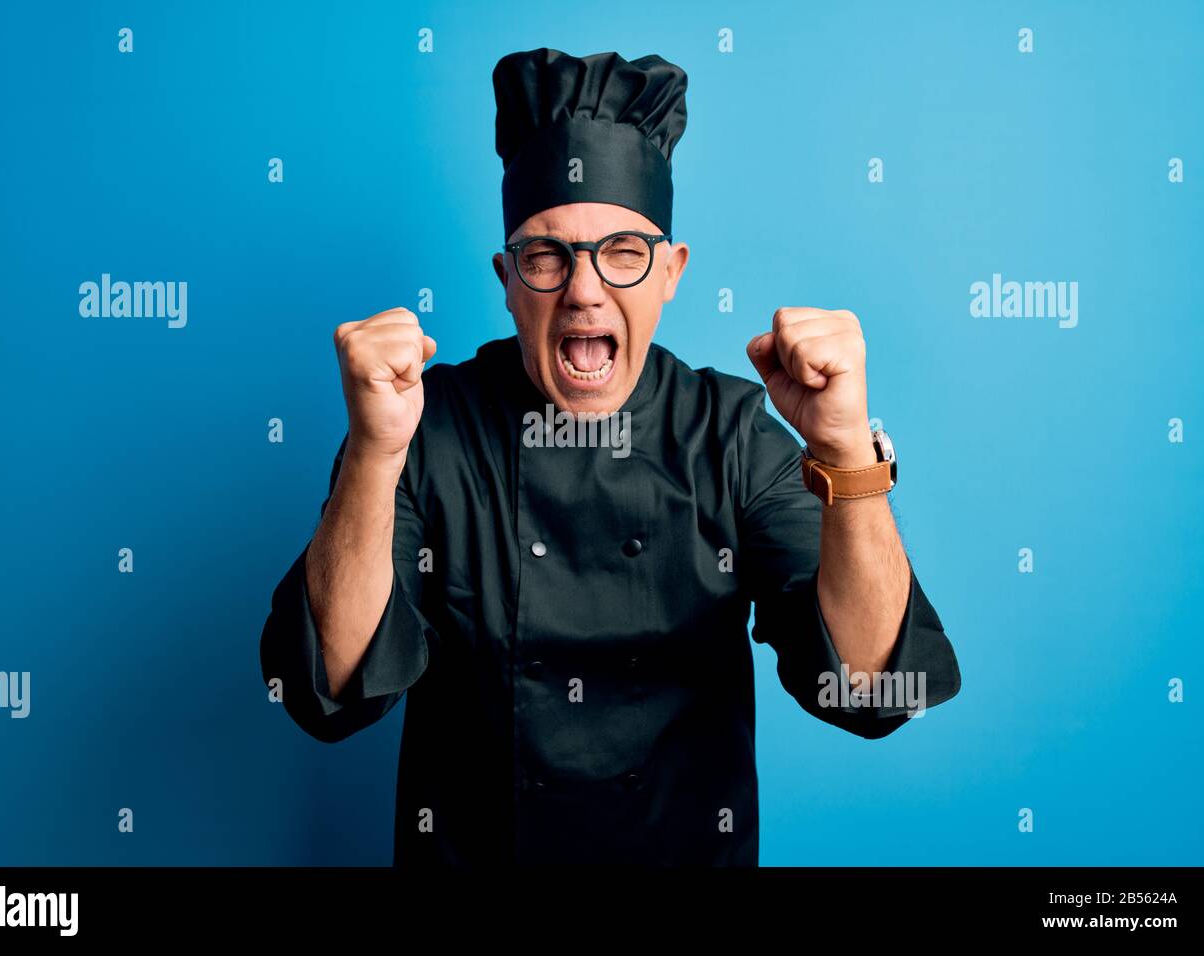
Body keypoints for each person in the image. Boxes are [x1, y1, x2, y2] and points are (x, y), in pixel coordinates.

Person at [259, 47, 961, 866]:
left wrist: (844, 452)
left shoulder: (729, 432)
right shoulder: (425, 427)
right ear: (508, 280)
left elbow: (873, 683)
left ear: (671, 272)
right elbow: (331, 687)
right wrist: (374, 455)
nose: (585, 291)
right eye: (546, 256)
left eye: (624, 252)